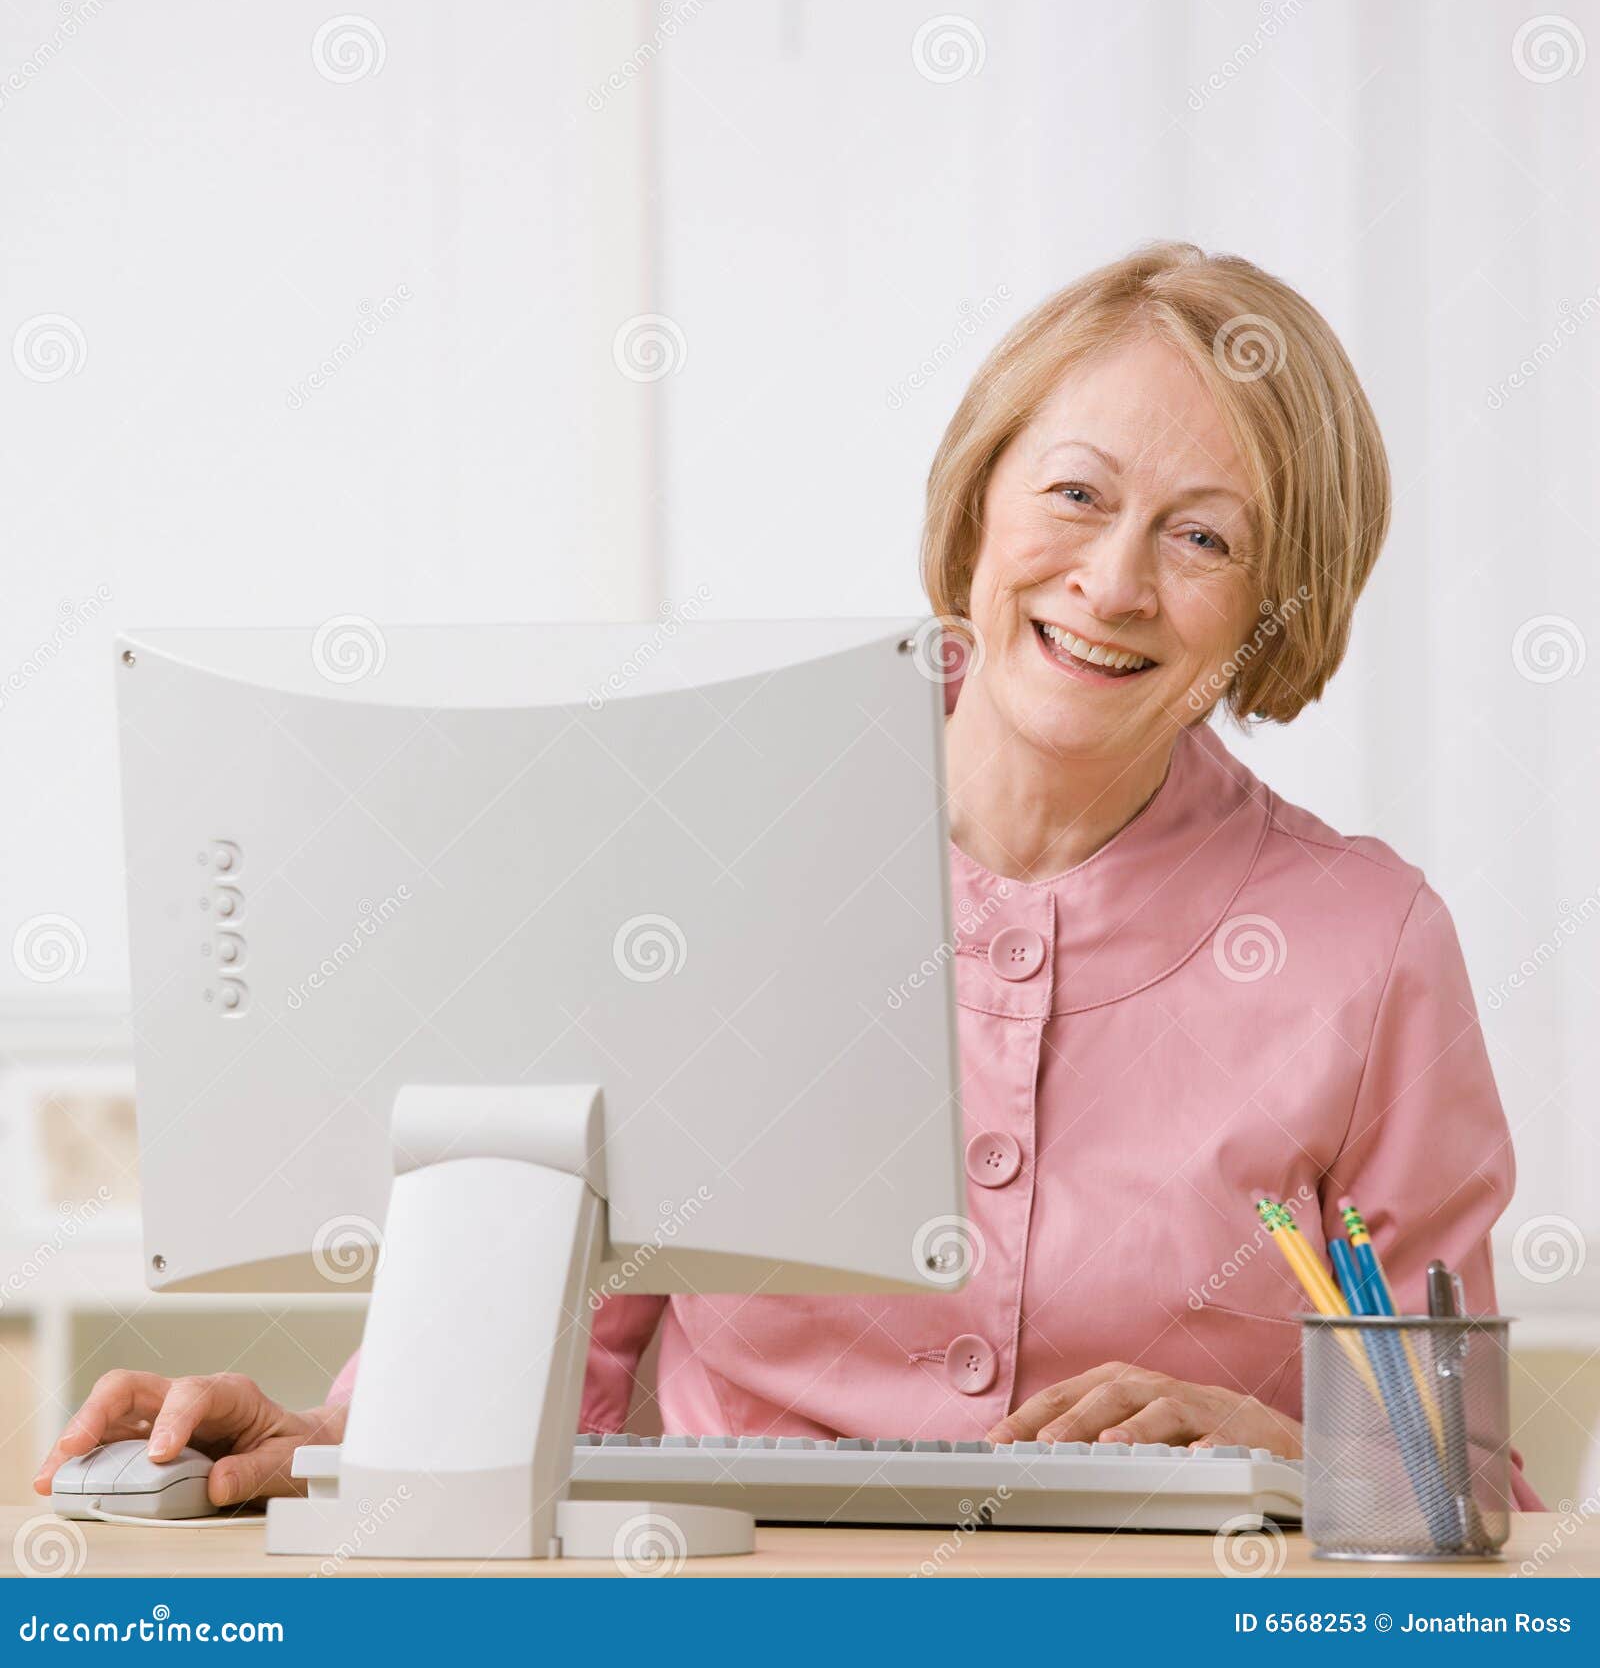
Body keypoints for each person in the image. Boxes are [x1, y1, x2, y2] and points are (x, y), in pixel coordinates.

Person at [35, 242, 1539, 1508]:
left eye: (1201, 536)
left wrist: (1277, 1447)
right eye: (1076, 495)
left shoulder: (1367, 944)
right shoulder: (712, 835)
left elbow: (1464, 1485)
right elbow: (551, 1321)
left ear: (1275, 615)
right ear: (979, 506)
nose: (1114, 581)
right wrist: (308, 1447)